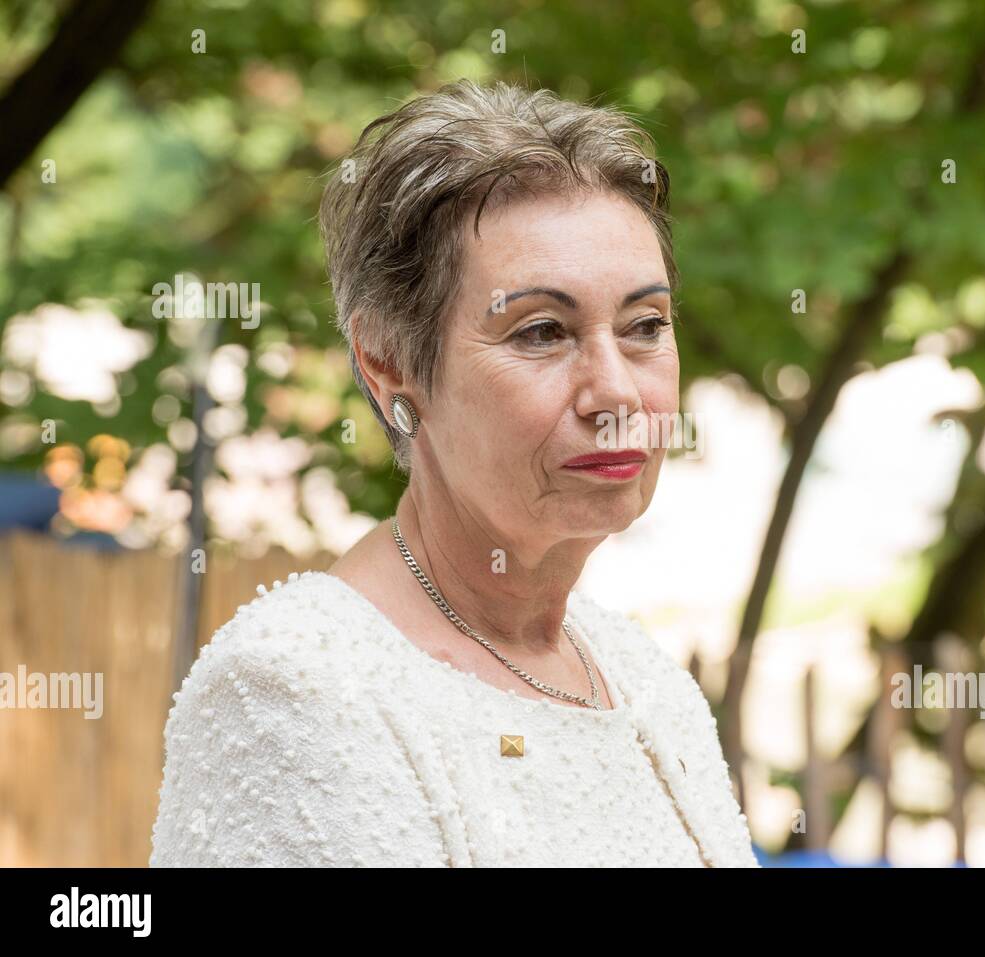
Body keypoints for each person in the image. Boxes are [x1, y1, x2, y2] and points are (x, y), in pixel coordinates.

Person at [149, 78, 759, 867]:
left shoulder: (642, 679)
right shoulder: (299, 689)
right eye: (542, 332)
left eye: (645, 325)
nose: (615, 391)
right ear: (389, 362)